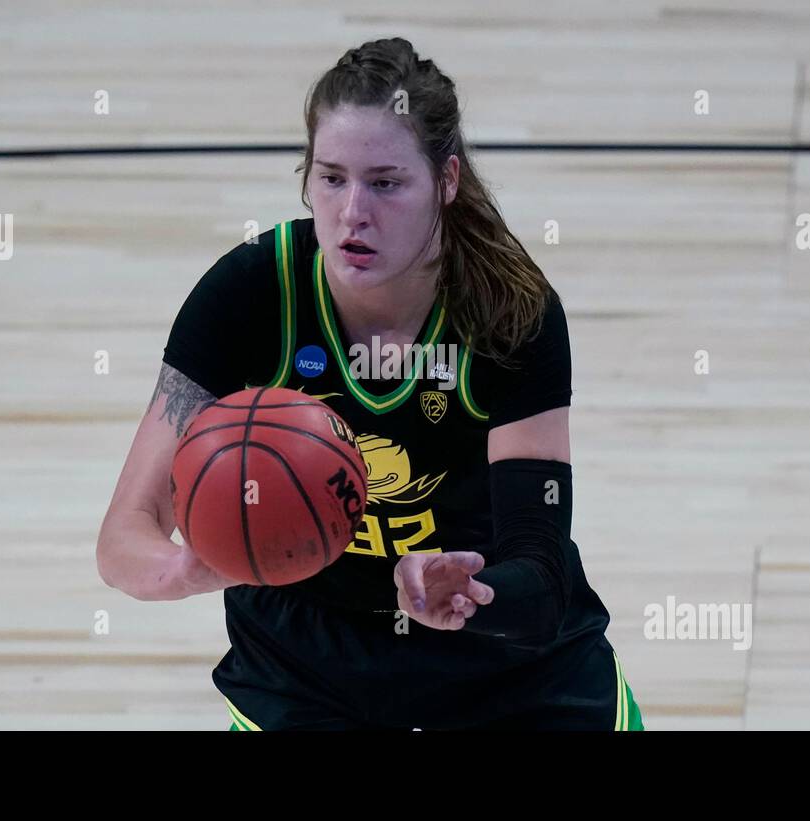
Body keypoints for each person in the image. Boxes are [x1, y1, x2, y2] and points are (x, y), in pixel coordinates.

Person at [97, 37, 643, 731]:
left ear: (446, 181)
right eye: (331, 178)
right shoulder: (250, 293)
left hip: (498, 652)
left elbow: (539, 572)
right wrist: (184, 570)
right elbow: (123, 535)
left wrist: (471, 592)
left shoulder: (509, 312)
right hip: (308, 658)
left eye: (385, 182)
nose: (353, 211)